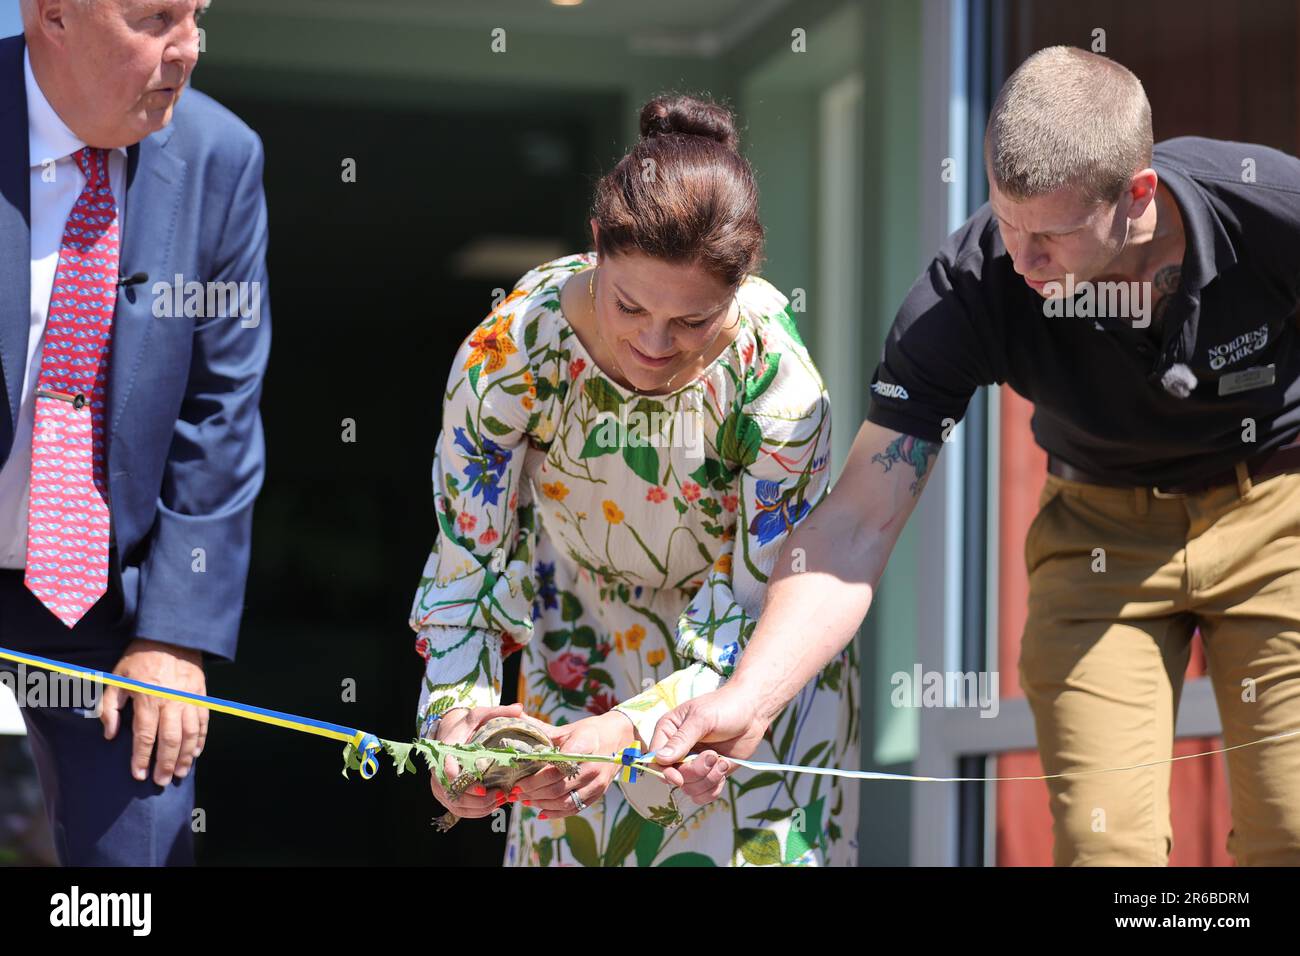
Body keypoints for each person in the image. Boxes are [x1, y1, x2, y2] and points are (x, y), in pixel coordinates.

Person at [646, 46, 1300, 866]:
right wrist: (750, 698)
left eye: (1050, 238)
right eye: (1005, 220)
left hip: (1277, 517)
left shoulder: (1269, 208)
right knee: (1108, 850)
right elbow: (857, 523)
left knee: (1292, 831)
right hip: (1102, 544)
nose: (1021, 262)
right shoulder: (972, 287)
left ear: (1137, 196)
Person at [409, 94, 859, 867]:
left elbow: (766, 601)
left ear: (742, 285)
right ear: (595, 247)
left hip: (743, 661)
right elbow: (468, 564)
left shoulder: (778, 382)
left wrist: (631, 731)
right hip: (576, 640)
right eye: (629, 305)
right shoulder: (511, 354)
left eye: (693, 321)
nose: (654, 342)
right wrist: (462, 732)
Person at [0, 0, 271, 865]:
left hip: (104, 605)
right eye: (154, 18)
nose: (186, 47)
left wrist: (174, 633)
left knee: (134, 877)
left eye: (195, 14)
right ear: (54, 17)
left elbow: (219, 407)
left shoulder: (221, 157)